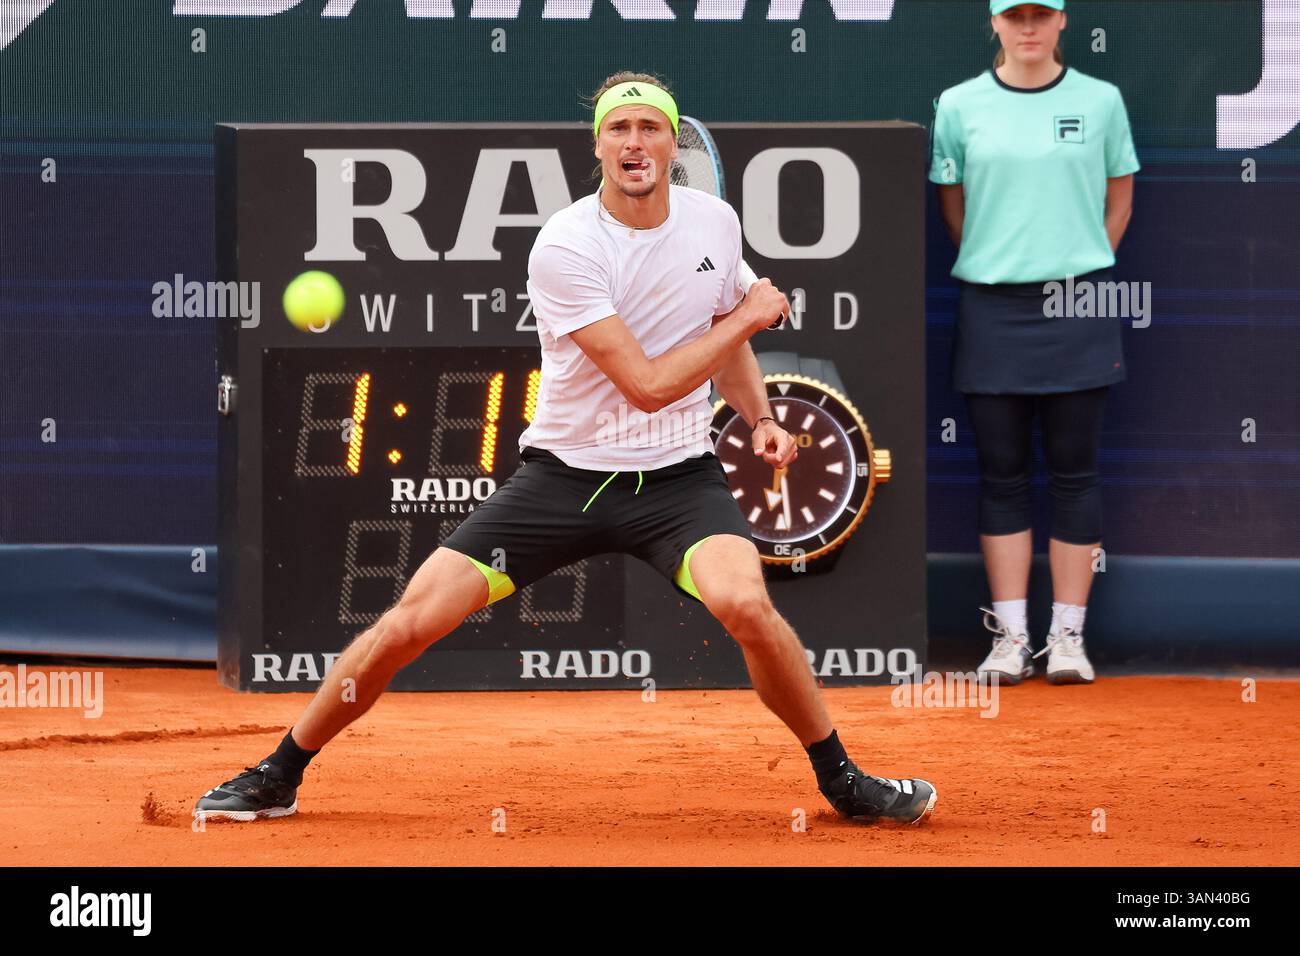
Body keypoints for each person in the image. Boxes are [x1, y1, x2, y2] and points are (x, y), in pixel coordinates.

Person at [194, 71, 936, 826]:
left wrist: (759, 417)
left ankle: (843, 781)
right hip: (563, 482)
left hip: (679, 482)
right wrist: (749, 319)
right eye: (620, 129)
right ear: (599, 146)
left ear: (674, 144)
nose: (635, 142)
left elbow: (723, 325)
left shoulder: (713, 223)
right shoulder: (566, 246)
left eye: (651, 128)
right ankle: (278, 772)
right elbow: (648, 383)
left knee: (747, 604)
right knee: (411, 621)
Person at [929, 1, 1139, 685]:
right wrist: (1001, 265)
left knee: (1077, 472)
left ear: (1061, 21)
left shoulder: (1103, 101)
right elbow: (954, 206)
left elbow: (1120, 199)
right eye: (1014, 16)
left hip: (1079, 306)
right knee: (1002, 475)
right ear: (994, 23)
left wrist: (1078, 266)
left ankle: (1069, 639)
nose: (1027, 28)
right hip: (993, 308)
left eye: (1039, 15)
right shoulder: (958, 106)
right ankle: (1011, 640)